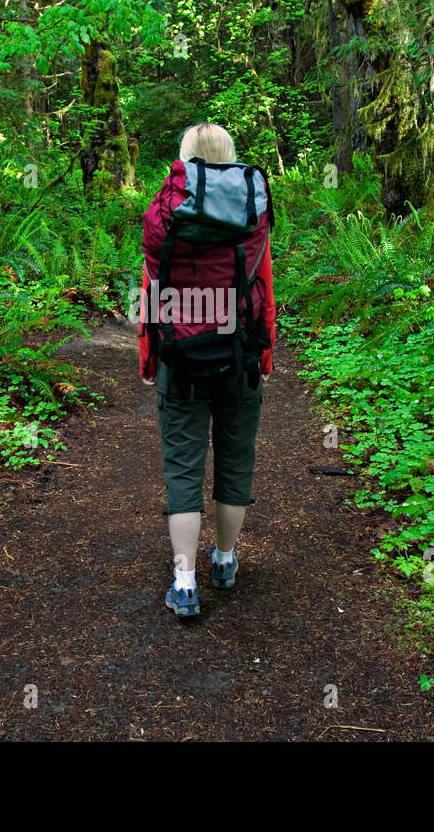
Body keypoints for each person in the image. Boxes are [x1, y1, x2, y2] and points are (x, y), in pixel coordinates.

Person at [137, 123, 275, 617]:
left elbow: (152, 289)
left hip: (181, 357)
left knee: (182, 469)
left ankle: (186, 582)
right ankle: (225, 561)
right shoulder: (251, 213)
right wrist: (266, 352)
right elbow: (263, 284)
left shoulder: (164, 214)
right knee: (236, 461)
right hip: (238, 354)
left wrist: (149, 356)